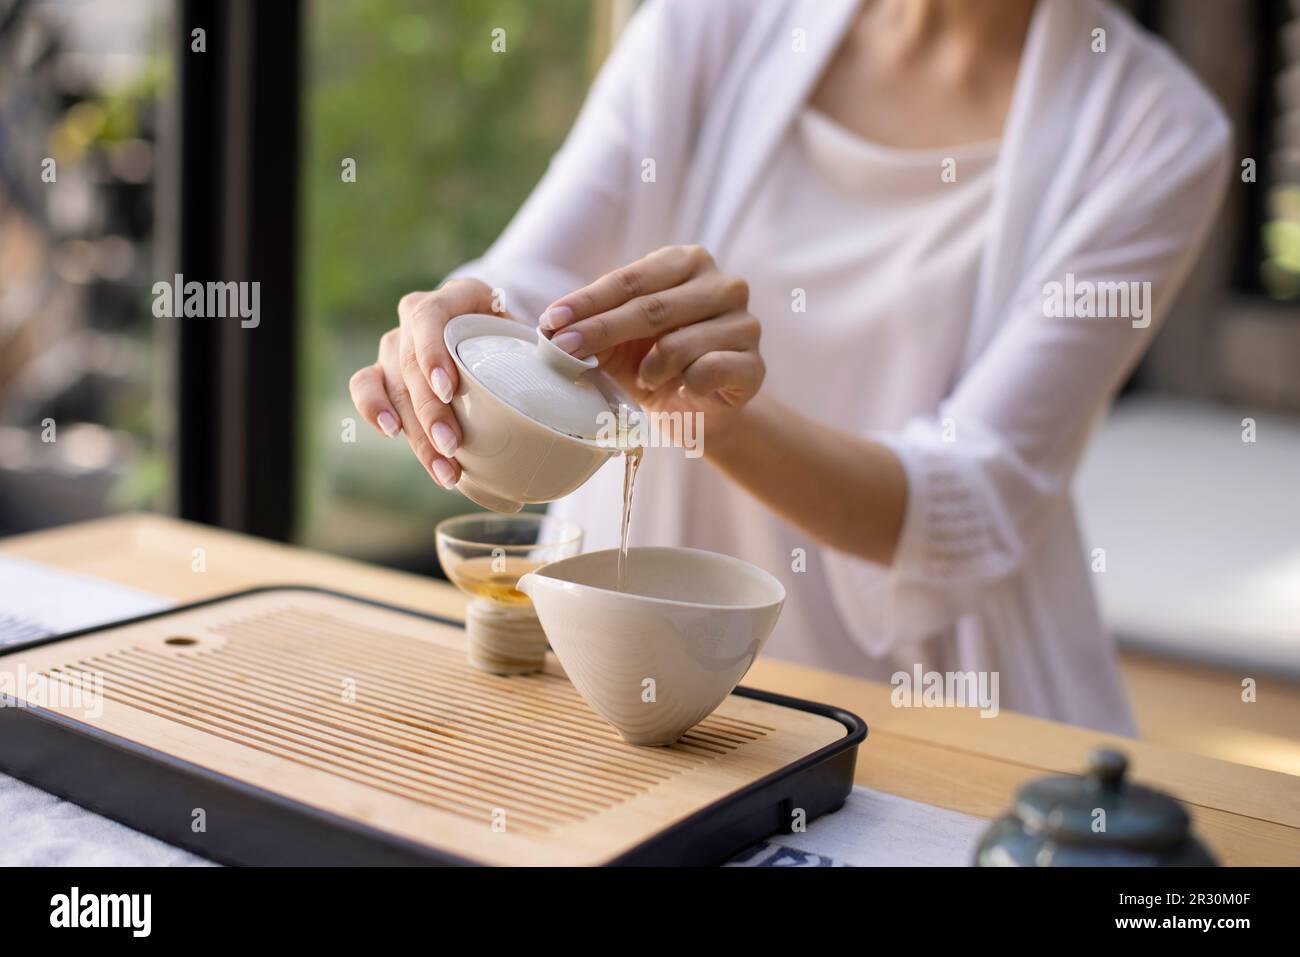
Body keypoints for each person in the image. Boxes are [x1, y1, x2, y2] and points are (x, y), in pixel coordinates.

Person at [348, 0, 1231, 734]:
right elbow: (537, 285)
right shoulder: (718, 18)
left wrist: (717, 414)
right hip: (617, 674)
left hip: (926, 708)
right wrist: (456, 330)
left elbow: (973, 499)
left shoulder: (1155, 129)